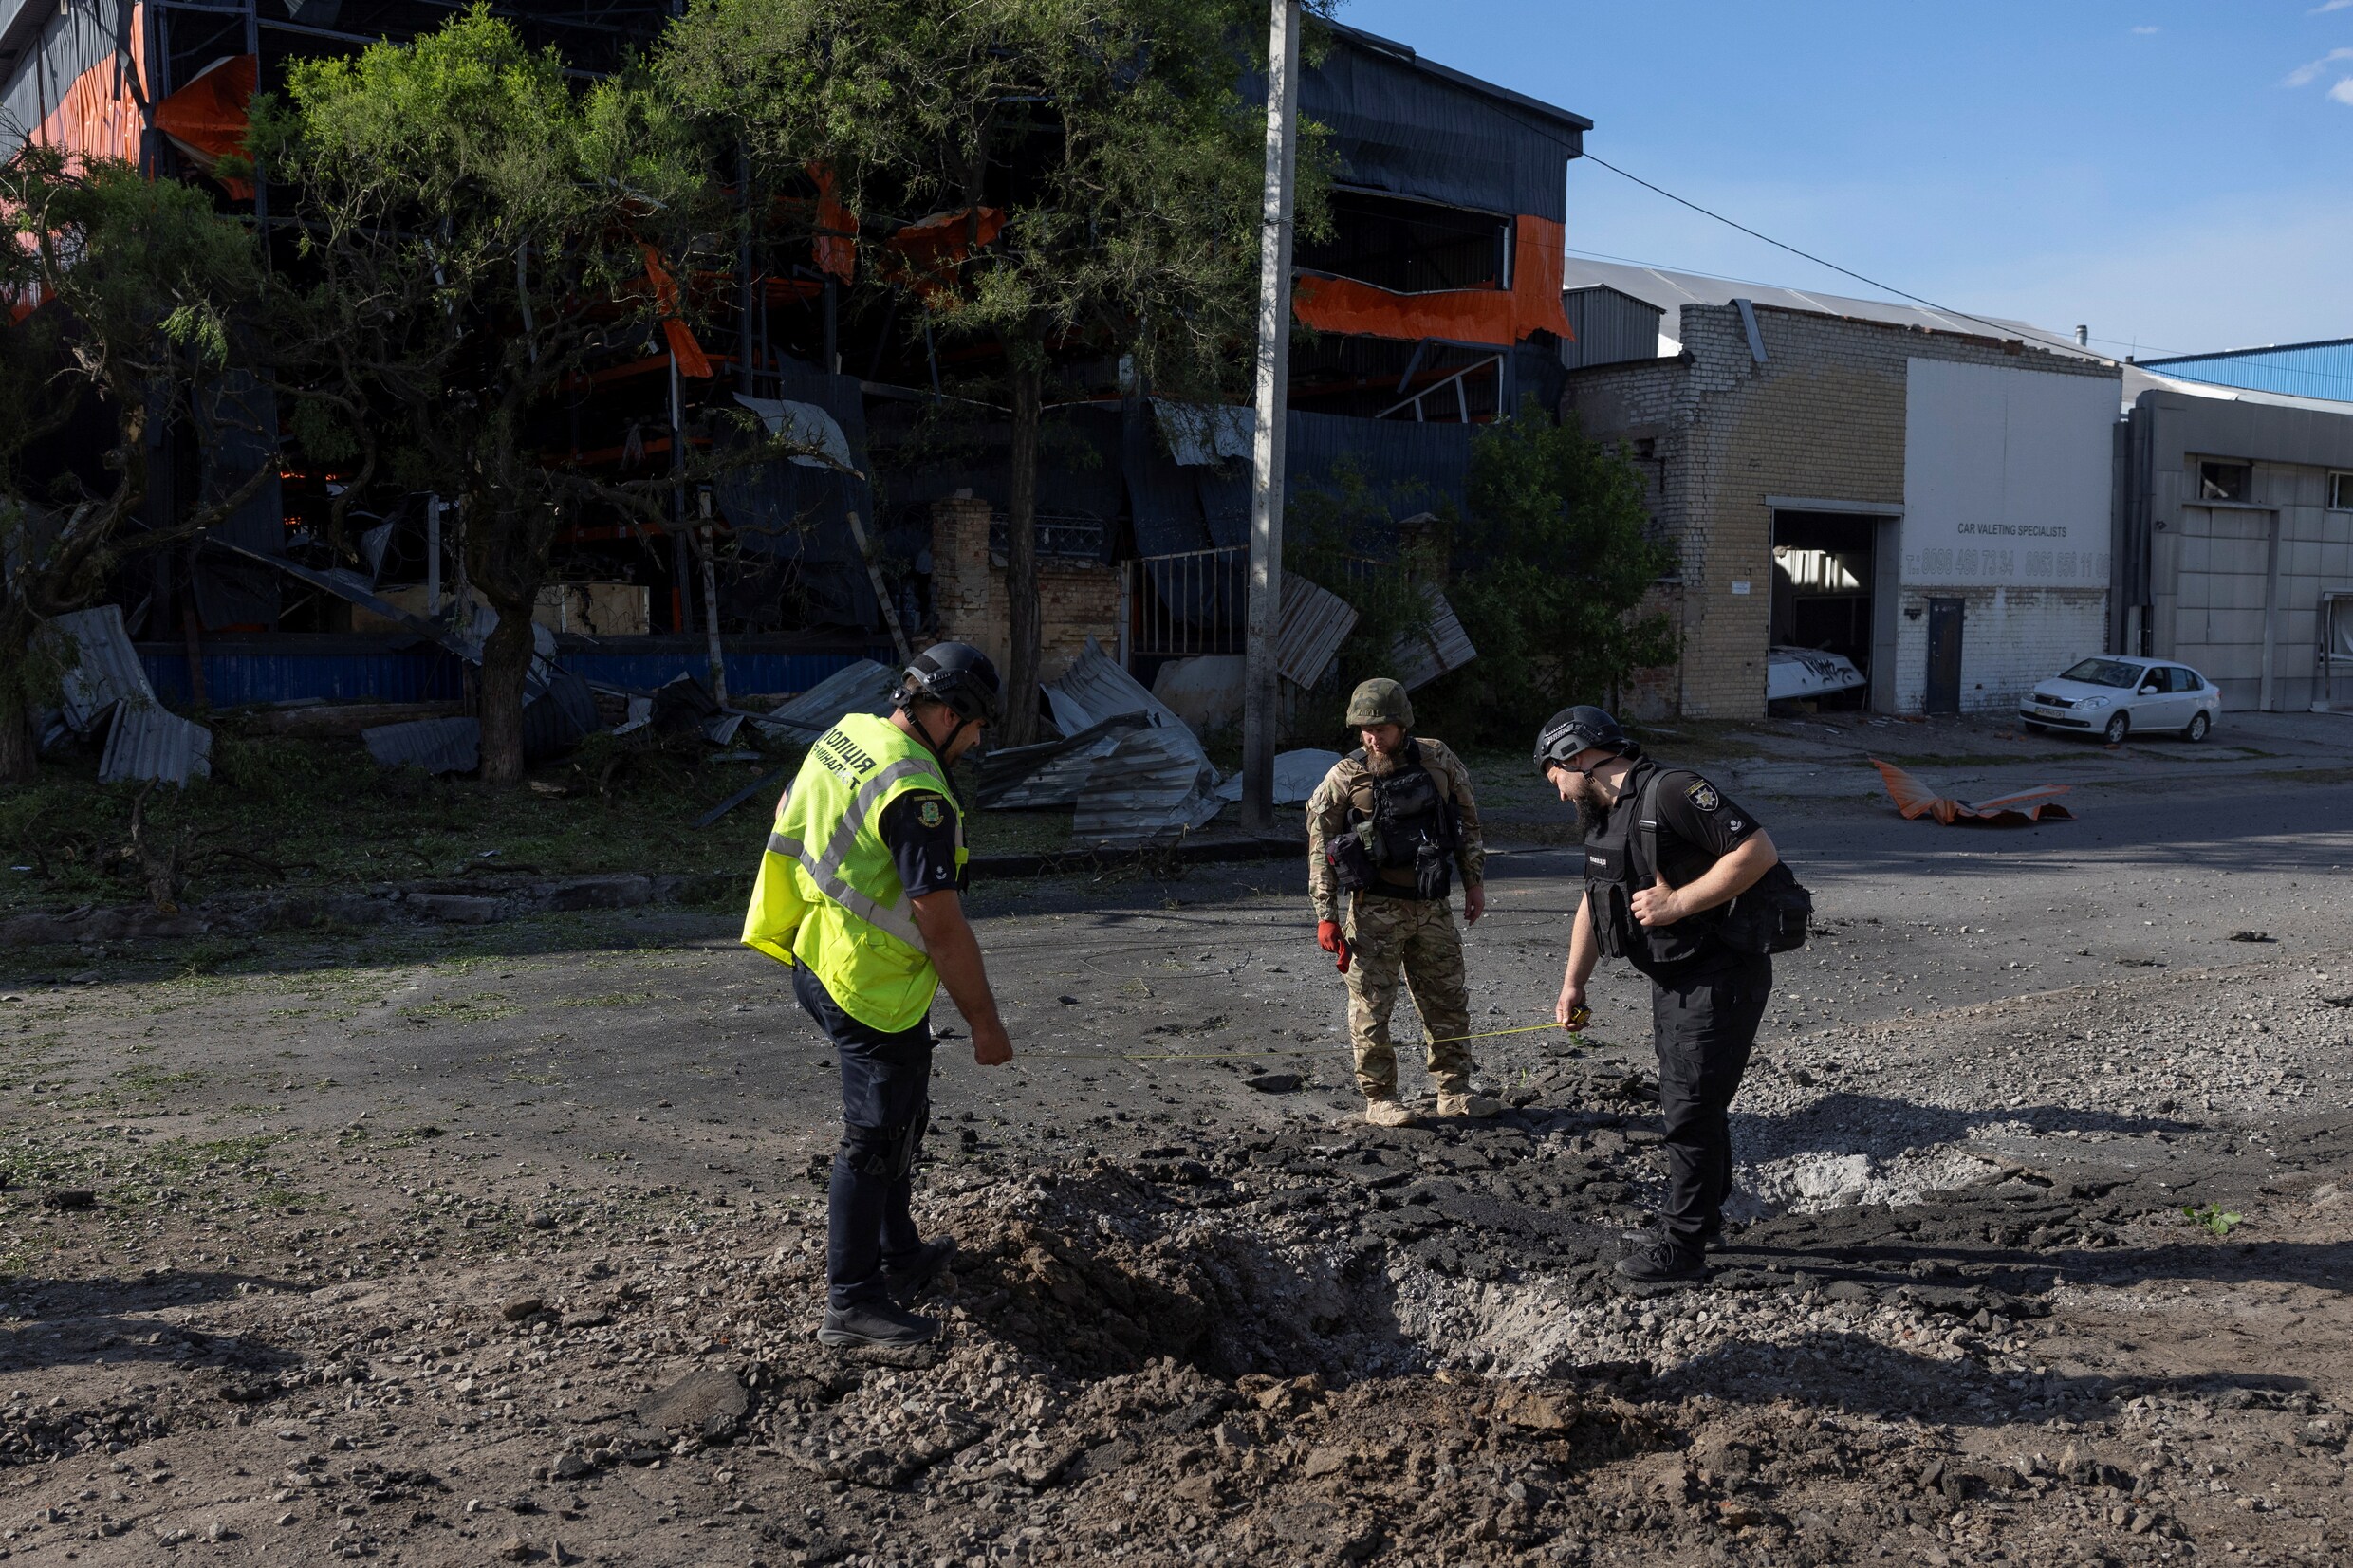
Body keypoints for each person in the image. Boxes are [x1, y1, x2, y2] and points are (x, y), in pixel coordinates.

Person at [743, 642, 1015, 1348]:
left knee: (900, 1116)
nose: (979, 739)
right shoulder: (919, 796)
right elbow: (942, 926)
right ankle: (853, 1300)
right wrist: (985, 1023)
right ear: (947, 713)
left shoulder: (850, 734)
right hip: (869, 988)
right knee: (872, 1138)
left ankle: (899, 1255)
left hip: (817, 952)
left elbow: (787, 804)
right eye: (978, 725)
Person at [1538, 705, 1781, 1282]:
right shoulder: (1604, 812)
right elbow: (1594, 900)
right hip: (1673, 978)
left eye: (1553, 775)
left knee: (1689, 1109)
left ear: (1576, 756)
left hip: (1721, 975)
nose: (1555, 790)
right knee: (1692, 1098)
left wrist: (1678, 903)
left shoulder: (1673, 791)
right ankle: (1707, 1215)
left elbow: (1757, 851)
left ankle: (1684, 1245)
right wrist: (1574, 982)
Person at [1306, 677, 1496, 1127]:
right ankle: (1381, 1098)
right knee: (1371, 1006)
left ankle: (1454, 1091)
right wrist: (1326, 916)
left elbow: (1467, 821)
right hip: (1373, 909)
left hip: (1431, 905)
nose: (1373, 738)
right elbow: (1320, 842)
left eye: (1382, 730)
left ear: (1403, 726)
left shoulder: (1438, 759)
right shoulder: (1346, 775)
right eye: (1365, 730)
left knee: (1446, 998)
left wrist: (1474, 882)